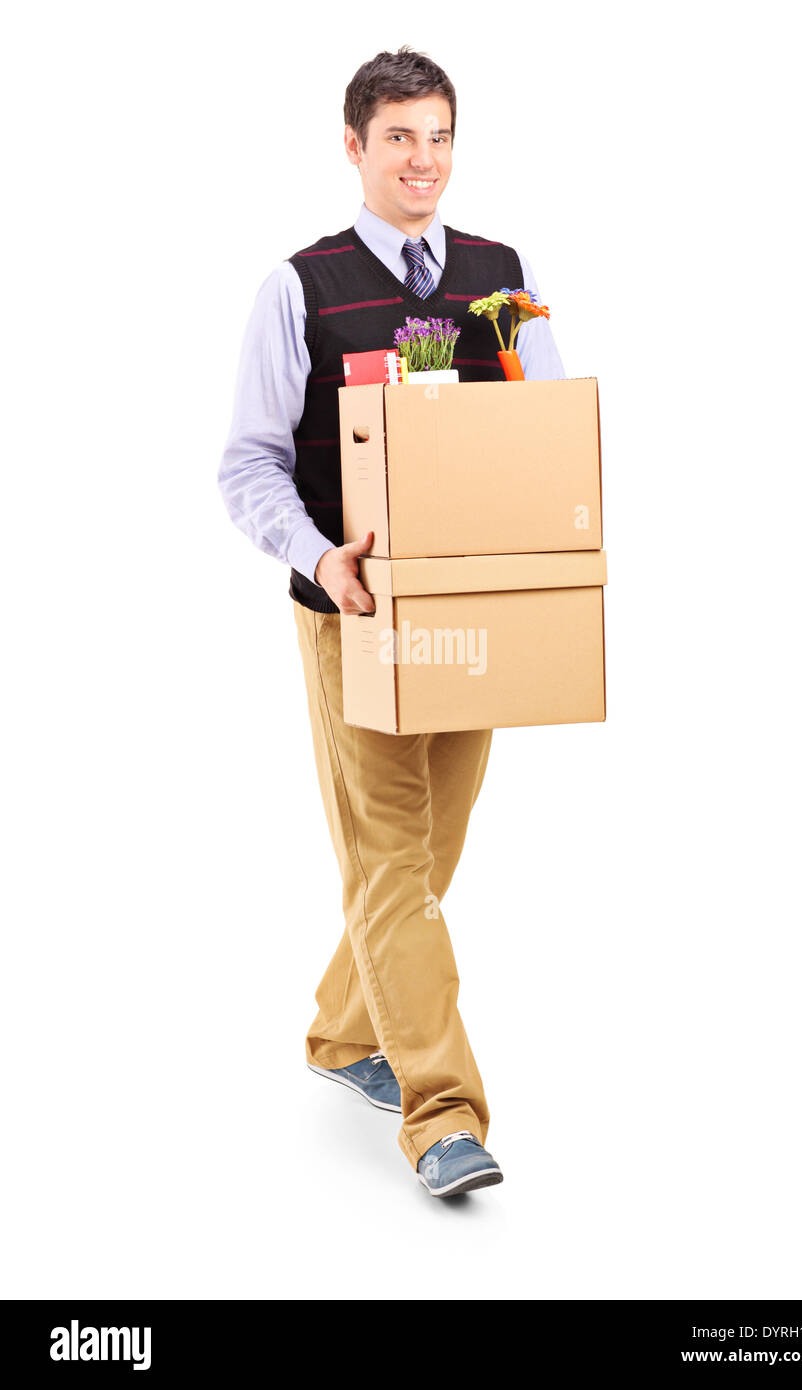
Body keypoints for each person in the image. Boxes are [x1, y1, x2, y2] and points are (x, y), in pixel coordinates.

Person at [218, 45, 565, 1197]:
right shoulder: (298, 286)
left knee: (431, 847)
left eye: (439, 135)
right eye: (400, 137)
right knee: (390, 859)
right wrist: (324, 557)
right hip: (350, 611)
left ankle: (338, 1031)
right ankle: (442, 1115)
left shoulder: (497, 274)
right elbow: (248, 466)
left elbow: (544, 428)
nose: (423, 159)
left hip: (467, 614)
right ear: (356, 148)